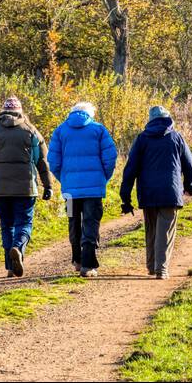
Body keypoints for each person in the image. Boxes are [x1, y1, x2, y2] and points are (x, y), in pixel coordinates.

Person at [0, 96, 52, 278]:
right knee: (24, 222)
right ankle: (17, 248)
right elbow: (42, 161)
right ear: (20, 111)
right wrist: (48, 186)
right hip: (25, 188)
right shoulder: (30, 130)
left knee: (6, 224)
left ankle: (10, 266)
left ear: (3, 111)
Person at [120, 104, 192, 279]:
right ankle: (161, 268)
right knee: (166, 231)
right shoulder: (176, 137)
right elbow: (189, 164)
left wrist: (125, 196)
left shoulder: (142, 139)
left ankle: (151, 265)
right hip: (170, 192)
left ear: (150, 119)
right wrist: (190, 186)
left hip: (148, 192)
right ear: (168, 118)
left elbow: (130, 168)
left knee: (151, 229)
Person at [48, 101, 118, 277]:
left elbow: (54, 162)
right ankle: (88, 265)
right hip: (93, 190)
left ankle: (77, 260)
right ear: (90, 114)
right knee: (90, 222)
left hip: (69, 192)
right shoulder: (98, 129)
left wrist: (64, 179)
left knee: (73, 221)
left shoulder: (60, 131)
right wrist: (103, 177)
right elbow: (110, 157)